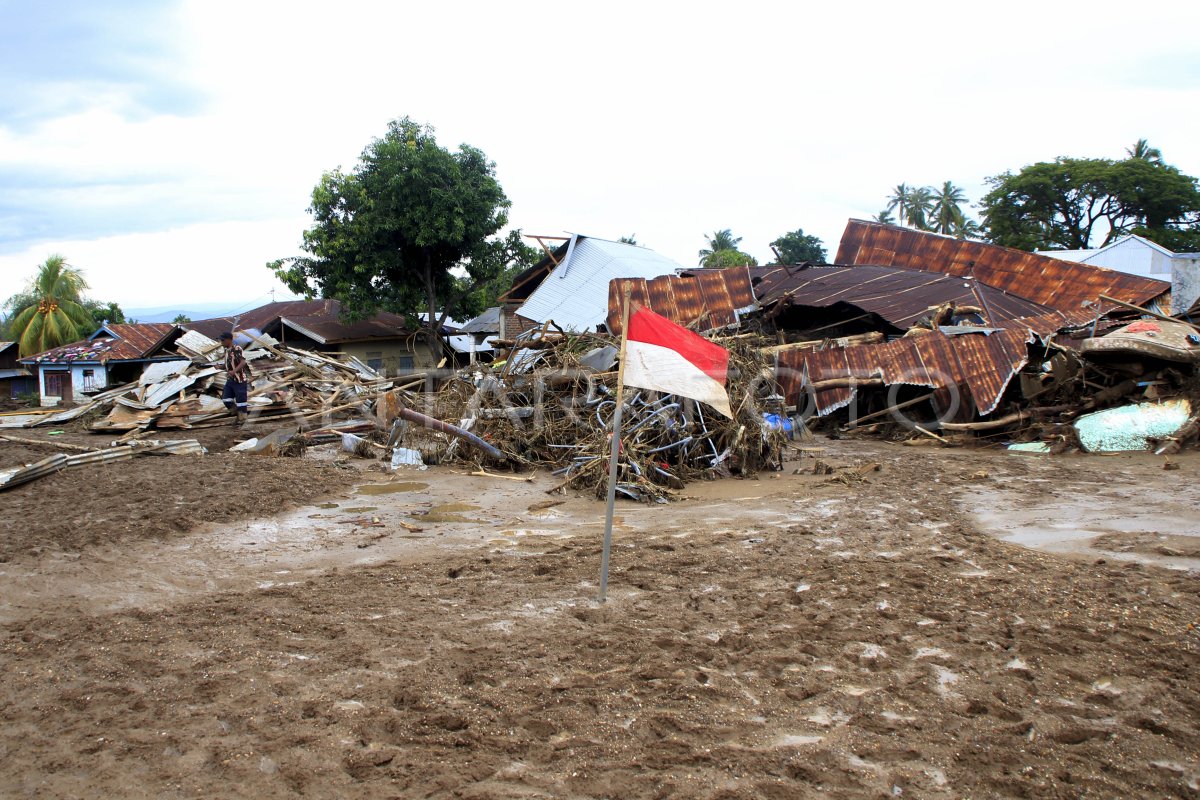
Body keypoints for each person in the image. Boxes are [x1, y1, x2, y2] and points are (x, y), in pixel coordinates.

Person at [218, 331, 253, 425]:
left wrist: (234, 371)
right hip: (230, 380)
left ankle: (243, 419)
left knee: (241, 401)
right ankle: (238, 415)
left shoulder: (237, 349)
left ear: (229, 340)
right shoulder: (226, 351)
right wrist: (220, 367)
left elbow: (243, 362)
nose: (221, 342)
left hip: (239, 380)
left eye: (223, 340)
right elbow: (228, 365)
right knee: (226, 399)